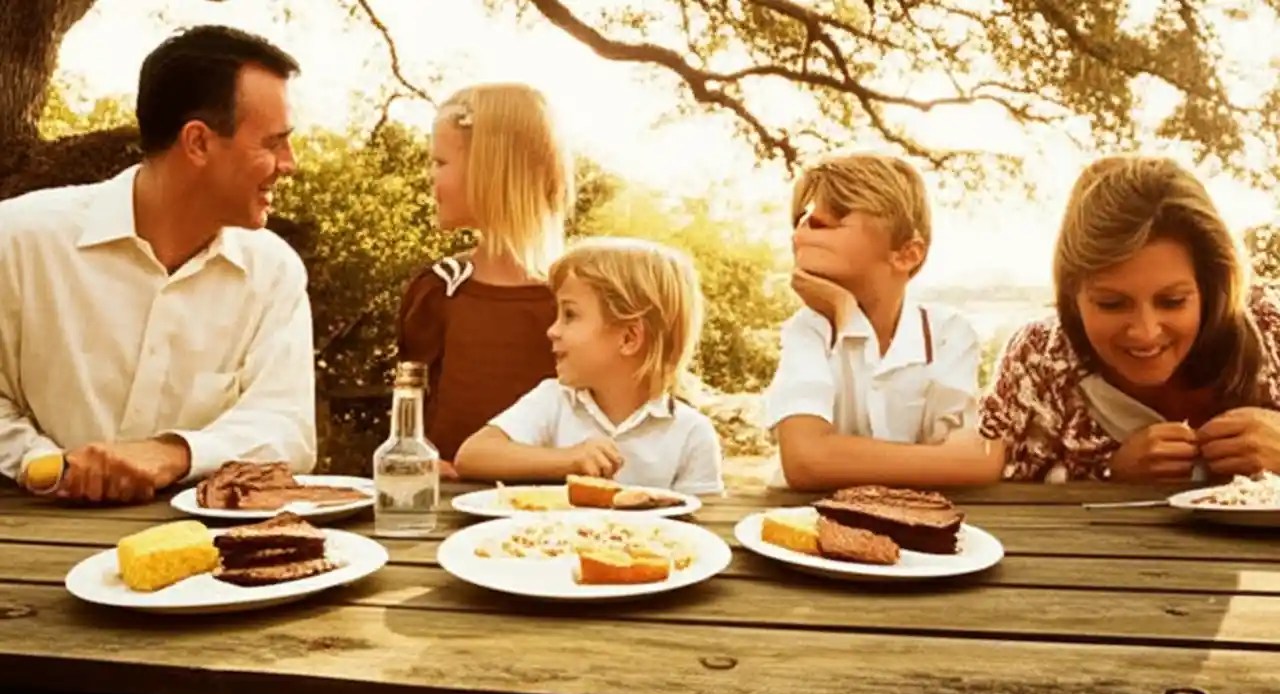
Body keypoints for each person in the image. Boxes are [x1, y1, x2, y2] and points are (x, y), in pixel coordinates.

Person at [0, 25, 316, 503]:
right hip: (28, 537)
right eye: (273, 143)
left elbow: (286, 426)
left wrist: (172, 453)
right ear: (198, 143)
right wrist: (44, 464)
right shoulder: (18, 240)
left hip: (205, 550)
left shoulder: (274, 271)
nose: (289, 163)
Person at [977, 155, 1280, 483]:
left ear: (1210, 288)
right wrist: (1108, 475)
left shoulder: (1271, 327)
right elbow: (989, 496)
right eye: (1112, 304)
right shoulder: (1039, 358)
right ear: (1072, 295)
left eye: (1172, 301)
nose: (1146, 332)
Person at [760, 154, 985, 490]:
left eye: (832, 218)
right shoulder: (808, 330)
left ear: (907, 254)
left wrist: (834, 457)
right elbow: (804, 460)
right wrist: (942, 463)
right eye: (801, 219)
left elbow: (976, 460)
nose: (806, 227)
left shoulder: (949, 334)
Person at [454, 237, 724, 496]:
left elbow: (703, 524)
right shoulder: (554, 400)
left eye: (569, 315)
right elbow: (472, 455)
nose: (552, 330)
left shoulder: (691, 434)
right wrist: (568, 460)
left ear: (629, 338)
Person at [398, 83, 573, 474]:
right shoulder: (438, 289)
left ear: (490, 171)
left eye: (440, 163)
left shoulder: (577, 297)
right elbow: (410, 413)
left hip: (554, 511)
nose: (430, 176)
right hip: (447, 515)